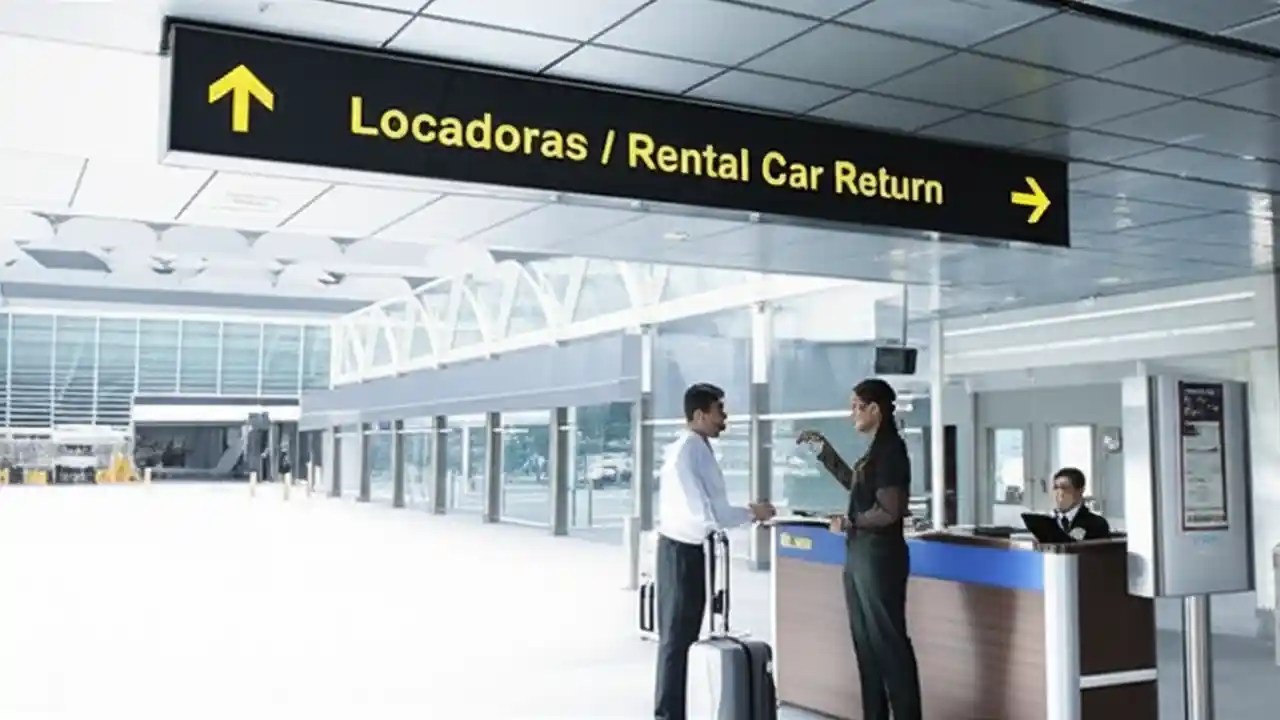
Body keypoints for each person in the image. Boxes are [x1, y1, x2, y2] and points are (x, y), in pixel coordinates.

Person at [797, 378, 921, 720]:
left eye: (855, 406)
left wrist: (850, 523)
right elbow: (860, 488)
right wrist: (825, 452)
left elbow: (889, 511)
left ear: (874, 409)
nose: (851, 413)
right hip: (860, 555)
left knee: (889, 645)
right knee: (866, 645)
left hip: (880, 558)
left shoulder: (892, 450)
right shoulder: (874, 451)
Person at [654, 382, 775, 720]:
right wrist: (752, 512)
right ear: (699, 414)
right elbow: (706, 515)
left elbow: (711, 511)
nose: (725, 418)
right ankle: (667, 715)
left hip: (689, 551)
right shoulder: (687, 452)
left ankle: (675, 712)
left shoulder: (697, 448)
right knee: (676, 642)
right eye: (719, 410)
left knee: (682, 639)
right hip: (680, 552)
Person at [1049, 466, 1110, 540]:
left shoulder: (1096, 523)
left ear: (1080, 490)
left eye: (1064, 488)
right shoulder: (1047, 522)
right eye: (1055, 488)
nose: (1059, 493)